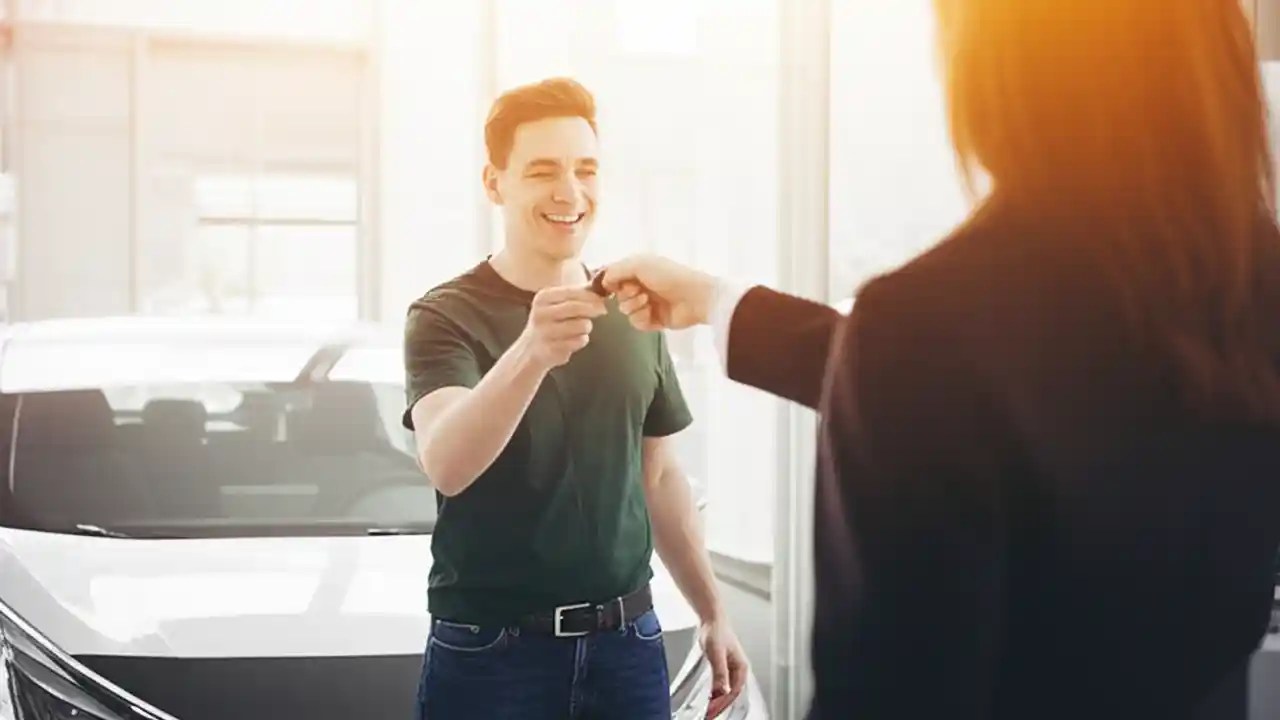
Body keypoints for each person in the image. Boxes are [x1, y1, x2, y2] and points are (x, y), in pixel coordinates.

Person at [600, 1, 1280, 718]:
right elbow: (1028, 399)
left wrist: (872, 349)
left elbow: (961, 383)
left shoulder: (933, 331)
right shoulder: (1248, 289)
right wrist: (720, 302)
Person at [402, 77, 747, 719]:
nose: (570, 192)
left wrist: (713, 612)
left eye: (585, 169)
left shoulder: (633, 304)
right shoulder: (444, 316)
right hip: (489, 655)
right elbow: (447, 463)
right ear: (494, 183)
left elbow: (661, 475)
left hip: (629, 646)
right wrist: (532, 350)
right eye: (542, 171)